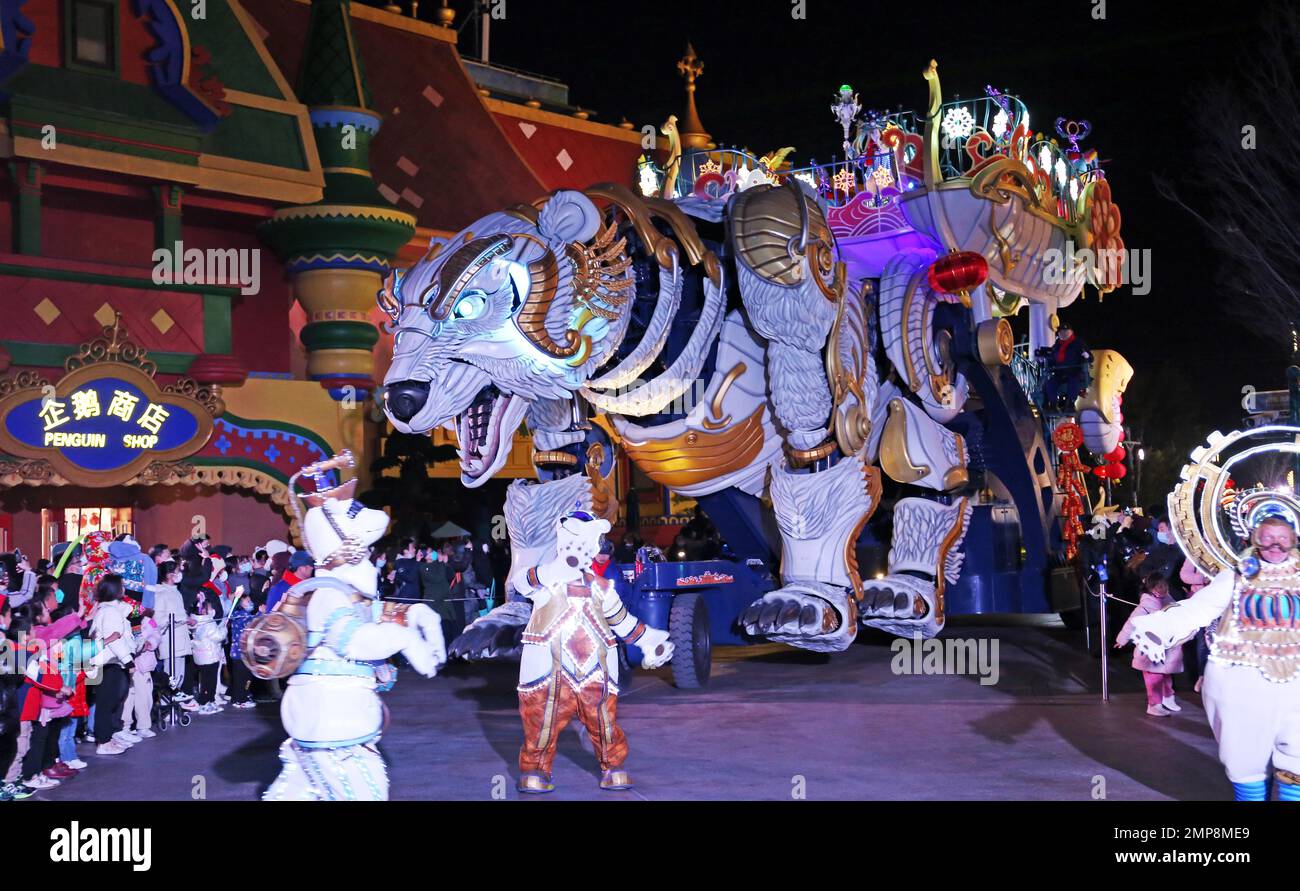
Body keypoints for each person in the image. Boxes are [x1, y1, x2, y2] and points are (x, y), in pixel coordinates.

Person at [262, 457, 445, 801]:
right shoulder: (329, 592)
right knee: (366, 791)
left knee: (298, 792)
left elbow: (373, 611)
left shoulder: (339, 587)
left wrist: (418, 614)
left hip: (324, 717)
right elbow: (355, 641)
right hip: (332, 718)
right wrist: (407, 640)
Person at [1132, 514, 1300, 800]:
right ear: (1254, 538)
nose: (1275, 545)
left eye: (1282, 538)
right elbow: (1198, 609)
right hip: (1243, 680)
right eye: (1268, 537)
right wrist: (1158, 629)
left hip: (1294, 683)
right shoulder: (1235, 577)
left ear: (1294, 539)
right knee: (1245, 758)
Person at [512, 510, 674, 793]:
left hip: (594, 672)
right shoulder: (545, 581)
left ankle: (613, 767)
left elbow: (622, 622)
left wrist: (649, 640)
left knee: (604, 722)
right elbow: (521, 582)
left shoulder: (601, 588)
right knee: (540, 720)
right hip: (547, 671)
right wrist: (550, 571)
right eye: (573, 544)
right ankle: (535, 770)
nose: (578, 551)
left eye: (585, 545)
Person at [1115, 573, 1183, 716]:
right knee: (1154, 677)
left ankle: (1168, 698)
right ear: (1152, 588)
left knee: (1166, 674)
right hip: (1150, 648)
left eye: (1164, 585)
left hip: (1166, 647)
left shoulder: (1170, 601)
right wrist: (1122, 639)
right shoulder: (1146, 605)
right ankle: (1154, 704)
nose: (1163, 588)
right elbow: (1131, 623)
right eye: (1159, 586)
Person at [87, 574, 136, 756]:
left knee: (112, 702)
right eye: (121, 586)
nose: (124, 588)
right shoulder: (110, 612)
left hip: (111, 663)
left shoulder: (111, 610)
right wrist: (128, 660)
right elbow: (115, 639)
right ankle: (104, 741)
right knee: (106, 704)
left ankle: (108, 737)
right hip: (108, 663)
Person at [149, 561, 193, 703]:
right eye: (177, 570)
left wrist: (187, 621)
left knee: (179, 676)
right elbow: (159, 619)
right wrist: (182, 619)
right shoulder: (160, 594)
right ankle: (165, 707)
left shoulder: (175, 592)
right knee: (170, 676)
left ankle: (174, 706)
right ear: (169, 575)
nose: (180, 573)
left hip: (180, 639)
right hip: (170, 641)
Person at [121, 615, 160, 739]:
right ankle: (125, 727)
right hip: (128, 665)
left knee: (145, 696)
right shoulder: (122, 619)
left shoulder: (148, 621)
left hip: (143, 665)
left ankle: (143, 726)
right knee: (128, 698)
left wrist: (151, 642)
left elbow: (157, 635)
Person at [188, 599, 225, 715]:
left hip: (201, 656)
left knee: (205, 680)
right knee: (210, 681)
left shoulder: (195, 621)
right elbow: (218, 636)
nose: (212, 610)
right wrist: (224, 627)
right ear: (203, 610)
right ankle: (204, 703)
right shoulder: (208, 622)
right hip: (210, 656)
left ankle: (210, 701)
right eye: (209, 608)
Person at [227, 591, 256, 709]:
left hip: (247, 652)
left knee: (248, 676)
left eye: (250, 601)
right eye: (247, 601)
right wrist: (261, 613)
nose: (250, 603)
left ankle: (245, 695)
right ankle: (238, 699)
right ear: (239, 603)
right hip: (239, 653)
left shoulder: (247, 614)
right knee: (240, 677)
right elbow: (250, 622)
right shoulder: (238, 615)